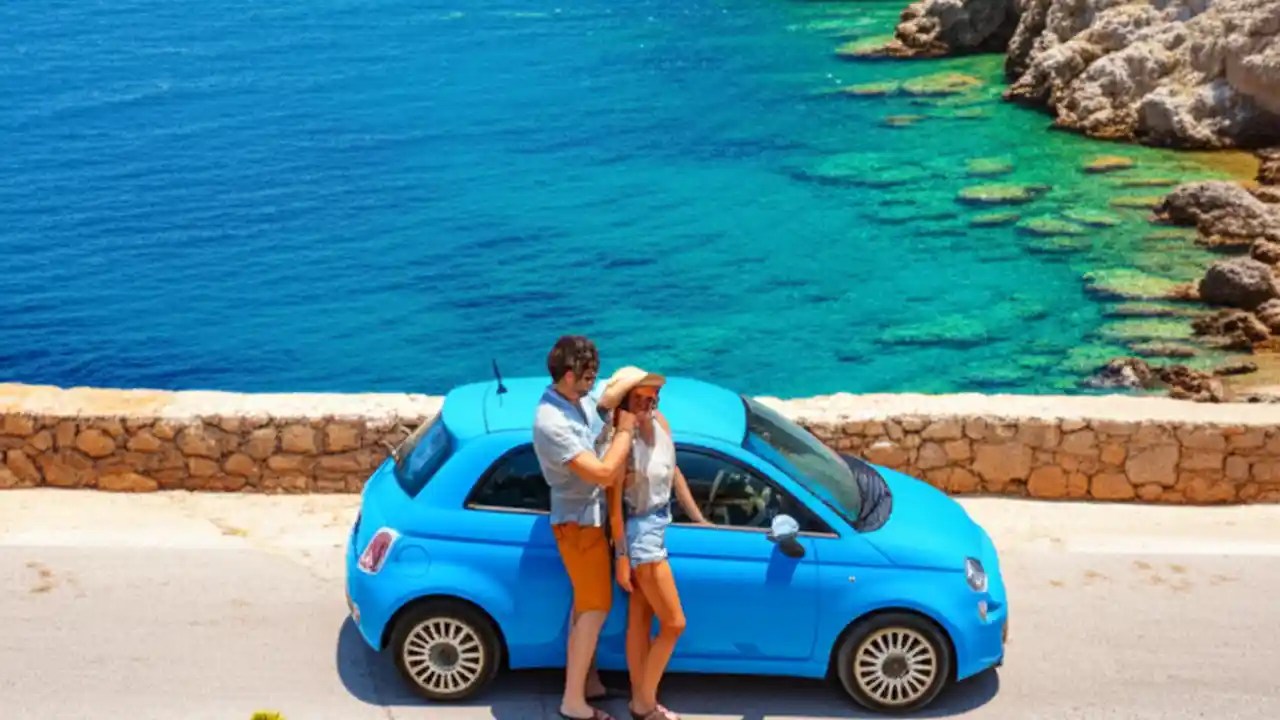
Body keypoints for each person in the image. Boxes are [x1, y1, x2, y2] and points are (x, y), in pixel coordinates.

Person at [532, 335, 636, 720]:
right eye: (588, 376)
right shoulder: (551, 422)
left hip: (593, 519)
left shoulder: (579, 401)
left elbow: (602, 412)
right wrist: (625, 431)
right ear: (569, 374)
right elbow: (605, 473)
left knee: (583, 607)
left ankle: (588, 682)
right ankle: (572, 702)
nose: (593, 382)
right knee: (595, 607)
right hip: (578, 524)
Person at [597, 366, 710, 720]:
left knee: (641, 621)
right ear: (626, 404)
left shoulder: (662, 424)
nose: (649, 403)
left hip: (662, 521)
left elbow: (673, 472)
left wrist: (699, 519)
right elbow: (615, 507)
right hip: (640, 533)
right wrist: (621, 556)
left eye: (653, 397)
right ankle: (644, 703)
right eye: (641, 399)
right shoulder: (622, 444)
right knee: (675, 623)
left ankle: (641, 697)